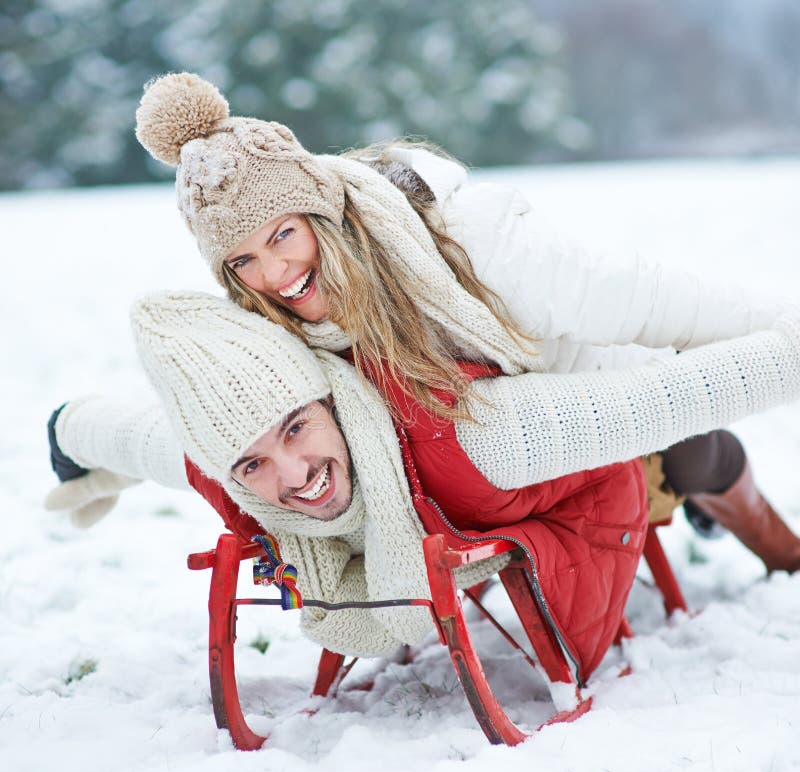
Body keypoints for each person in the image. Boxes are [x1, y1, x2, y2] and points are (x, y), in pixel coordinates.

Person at [126, 72, 800, 571]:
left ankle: (773, 542)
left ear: (320, 213)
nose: (273, 275)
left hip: (597, 408)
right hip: (484, 472)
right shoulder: (276, 325)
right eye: (242, 261)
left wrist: (784, 329)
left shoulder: (474, 244)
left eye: (281, 235)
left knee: (697, 455)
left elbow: (654, 302)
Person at [47, 289, 800, 677]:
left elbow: (662, 398)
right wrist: (65, 433)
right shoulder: (235, 469)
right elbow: (132, 435)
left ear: (328, 401)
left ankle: (783, 549)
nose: (293, 475)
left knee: (699, 456)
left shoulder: (471, 437)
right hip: (499, 487)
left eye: (296, 431)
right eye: (251, 465)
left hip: (585, 455)